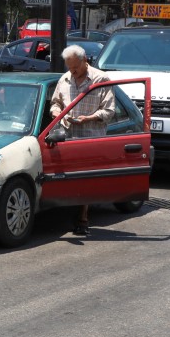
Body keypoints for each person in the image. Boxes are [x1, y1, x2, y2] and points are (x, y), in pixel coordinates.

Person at [49, 44, 115, 236]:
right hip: (67, 135)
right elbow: (55, 103)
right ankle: (67, 212)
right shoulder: (64, 79)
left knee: (85, 179)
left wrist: (89, 118)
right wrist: (57, 113)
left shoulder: (101, 79)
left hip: (90, 137)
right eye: (70, 68)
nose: (73, 71)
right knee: (68, 177)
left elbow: (109, 111)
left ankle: (83, 218)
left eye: (76, 67)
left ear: (85, 60)